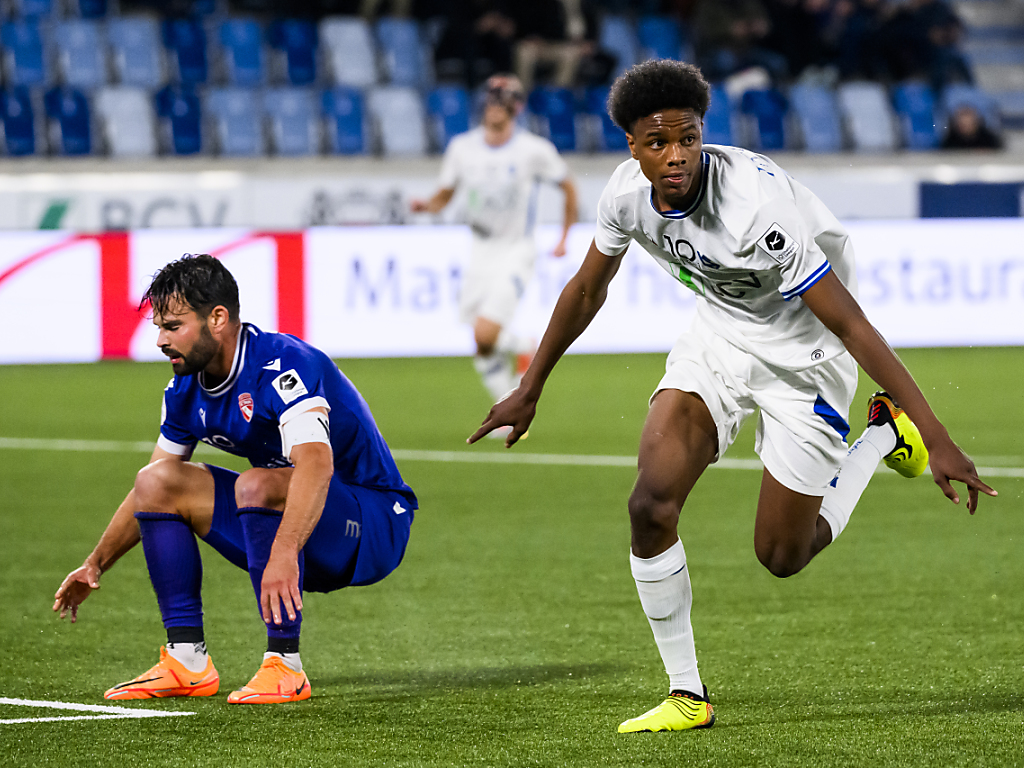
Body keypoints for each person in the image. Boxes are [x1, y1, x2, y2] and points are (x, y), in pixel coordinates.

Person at [468, 59, 996, 732]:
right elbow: (586, 288)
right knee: (649, 502)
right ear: (631, 147)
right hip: (719, 338)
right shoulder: (625, 195)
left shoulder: (756, 207)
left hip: (807, 354)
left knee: (783, 555)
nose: (676, 155)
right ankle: (686, 693)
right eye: (657, 143)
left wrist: (939, 434)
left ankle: (885, 435)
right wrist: (530, 386)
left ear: (701, 133)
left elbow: (850, 322)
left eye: (687, 138)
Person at [53, 254, 417, 704]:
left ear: (218, 318)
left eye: (173, 326)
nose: (161, 340)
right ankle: (187, 660)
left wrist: (284, 550)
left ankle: (286, 664)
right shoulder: (184, 389)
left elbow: (317, 465)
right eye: (159, 328)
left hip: (372, 521)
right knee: (156, 482)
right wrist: (95, 563)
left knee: (256, 484)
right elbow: (150, 490)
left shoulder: (283, 365)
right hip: (293, 520)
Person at [411, 73, 578, 410]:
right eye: (490, 99)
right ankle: (506, 403)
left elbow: (568, 186)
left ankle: (523, 347)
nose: (494, 106)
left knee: (485, 334)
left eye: (503, 100)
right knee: (481, 344)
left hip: (516, 250)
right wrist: (427, 205)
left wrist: (564, 236)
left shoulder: (533, 150)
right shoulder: (462, 148)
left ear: (516, 108)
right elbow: (446, 193)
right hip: (481, 250)